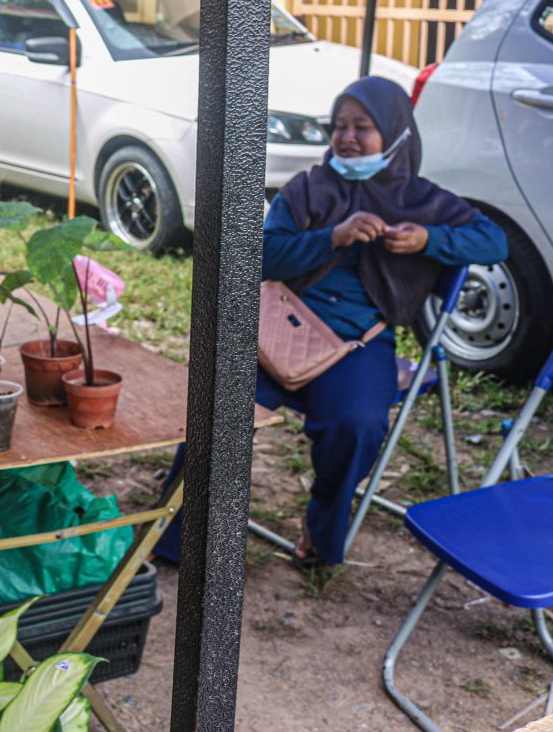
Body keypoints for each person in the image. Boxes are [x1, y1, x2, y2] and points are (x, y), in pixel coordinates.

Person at [155, 77, 508, 569]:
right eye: (339, 126)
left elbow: (494, 243)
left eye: (362, 127)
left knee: (359, 423)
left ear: (396, 132)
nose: (346, 137)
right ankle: (178, 537)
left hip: (356, 345)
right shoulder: (307, 190)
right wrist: (331, 238)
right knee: (217, 403)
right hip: (276, 331)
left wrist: (428, 238)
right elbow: (262, 257)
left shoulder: (423, 199)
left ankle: (321, 528)